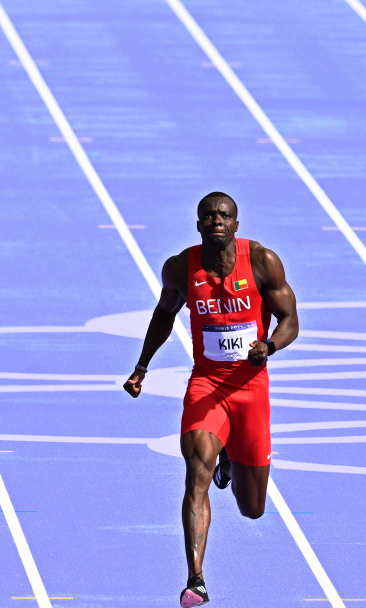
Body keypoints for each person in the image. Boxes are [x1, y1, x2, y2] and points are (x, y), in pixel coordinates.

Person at [123, 192, 299, 607]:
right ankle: (195, 580)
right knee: (195, 469)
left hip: (251, 388)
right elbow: (164, 315)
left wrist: (270, 346)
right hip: (207, 384)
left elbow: (291, 320)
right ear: (198, 225)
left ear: (236, 224)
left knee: (253, 508)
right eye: (209, 215)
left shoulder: (261, 261)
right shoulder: (180, 268)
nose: (217, 220)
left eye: (225, 215)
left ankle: (230, 462)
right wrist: (141, 367)